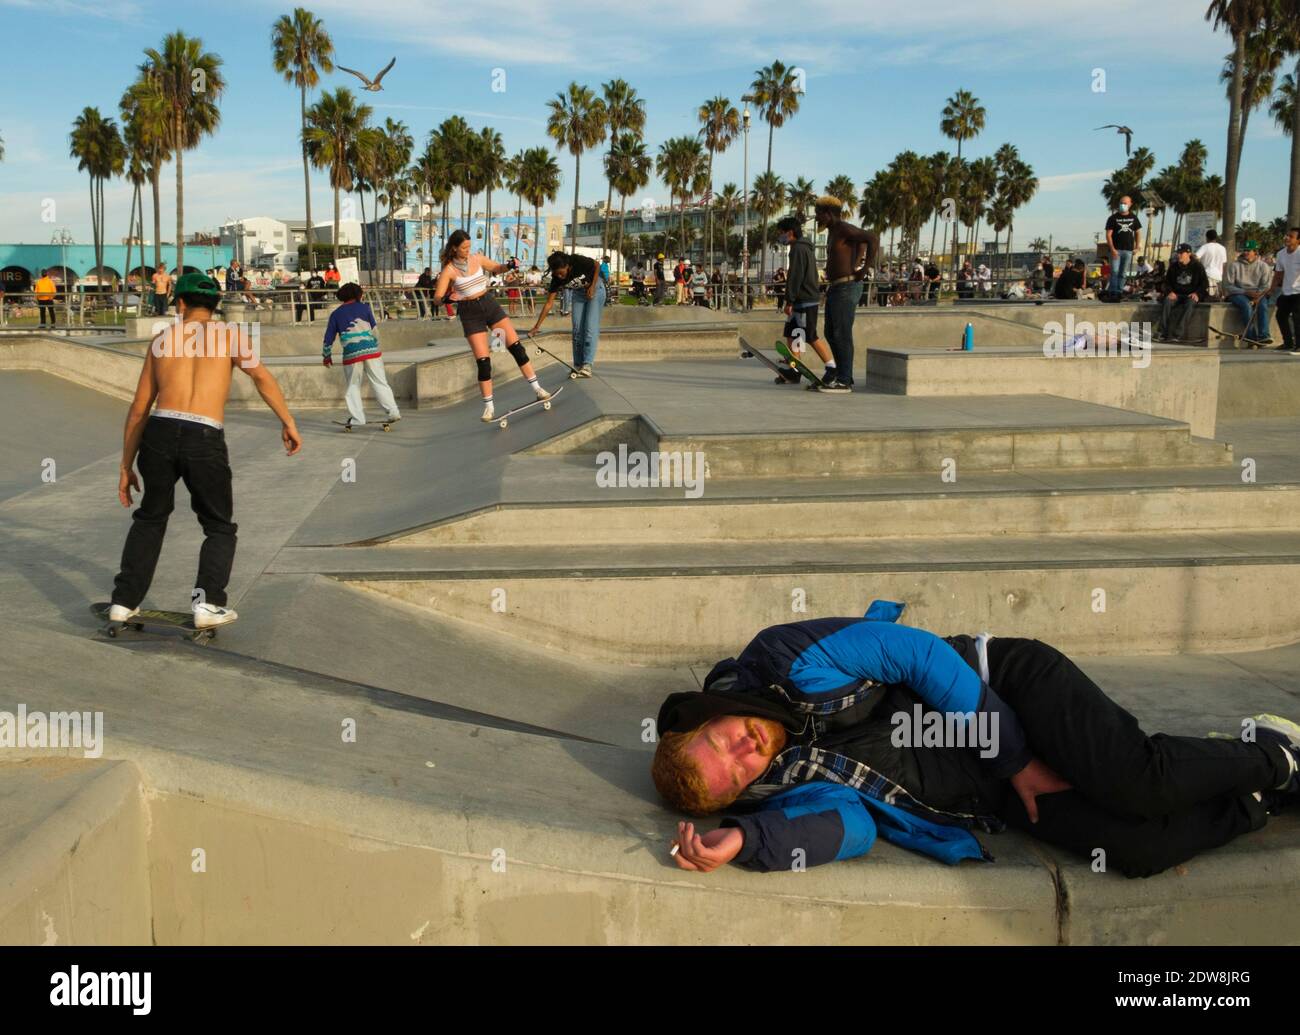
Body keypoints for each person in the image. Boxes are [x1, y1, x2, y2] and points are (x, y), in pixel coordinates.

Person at [652, 608, 1300, 878]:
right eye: (740, 770)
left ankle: (1274, 749)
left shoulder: (783, 660)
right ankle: (1256, 796)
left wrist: (1014, 755)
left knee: (1136, 780)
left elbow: (913, 651)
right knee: (1135, 847)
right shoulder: (785, 780)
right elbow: (850, 827)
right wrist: (747, 840)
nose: (748, 748)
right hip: (989, 787)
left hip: (1006, 689)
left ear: (709, 712)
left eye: (725, 737)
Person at [107, 272, 302, 631]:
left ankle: (123, 602)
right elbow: (261, 377)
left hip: (160, 431)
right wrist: (287, 421)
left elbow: (139, 407)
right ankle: (207, 603)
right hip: (204, 435)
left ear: (180, 303)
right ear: (214, 306)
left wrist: (125, 464)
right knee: (218, 526)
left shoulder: (162, 341)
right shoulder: (230, 336)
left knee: (151, 518)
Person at [433, 230, 551, 423]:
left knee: (516, 348)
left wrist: (510, 265)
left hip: (489, 304)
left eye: (469, 247)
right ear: (454, 248)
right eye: (464, 248)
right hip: (470, 313)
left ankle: (538, 389)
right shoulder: (449, 270)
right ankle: (489, 407)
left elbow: (497, 268)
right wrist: (446, 297)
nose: (467, 251)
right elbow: (437, 299)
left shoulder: (477, 259)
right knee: (483, 362)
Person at [814, 195, 878, 393]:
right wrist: (858, 256)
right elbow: (862, 244)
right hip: (836, 287)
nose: (817, 219)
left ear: (828, 214)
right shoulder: (834, 231)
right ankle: (840, 374)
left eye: (819, 215)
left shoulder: (843, 228)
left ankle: (845, 379)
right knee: (830, 332)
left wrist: (864, 268)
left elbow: (872, 238)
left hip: (847, 286)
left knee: (842, 333)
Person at [322, 282, 402, 428]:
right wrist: (375, 345)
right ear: (357, 295)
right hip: (372, 352)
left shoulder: (336, 314)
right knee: (380, 382)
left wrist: (326, 356)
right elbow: (374, 329)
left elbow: (329, 338)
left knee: (353, 386)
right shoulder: (365, 308)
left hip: (352, 355)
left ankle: (358, 418)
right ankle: (393, 411)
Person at [772, 216, 835, 386]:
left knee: (810, 335)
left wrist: (789, 301)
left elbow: (795, 276)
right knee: (793, 334)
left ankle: (831, 367)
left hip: (805, 300)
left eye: (782, 233)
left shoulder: (798, 249)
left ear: (790, 232)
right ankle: (794, 370)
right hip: (801, 300)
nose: (781, 236)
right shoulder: (801, 247)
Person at [531, 250, 604, 377]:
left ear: (567, 266)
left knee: (589, 328)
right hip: (579, 294)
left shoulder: (576, 260)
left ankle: (587, 365)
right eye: (556, 274)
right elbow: (549, 303)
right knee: (576, 329)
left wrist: (592, 286)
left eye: (561, 273)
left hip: (596, 289)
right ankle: (577, 365)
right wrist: (537, 326)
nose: (560, 276)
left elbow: (597, 265)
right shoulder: (556, 279)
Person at [1222, 240, 1274, 347]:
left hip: (1258, 293)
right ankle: (1251, 337)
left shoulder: (1263, 266)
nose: (1246, 252)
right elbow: (1229, 286)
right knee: (1246, 306)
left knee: (1263, 305)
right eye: (1244, 250)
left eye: (1248, 250)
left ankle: (1263, 336)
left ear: (1255, 252)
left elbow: (1266, 285)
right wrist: (1245, 292)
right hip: (1238, 293)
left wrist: (1258, 296)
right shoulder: (1234, 265)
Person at [1156, 243, 1209, 343]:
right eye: (1178, 253)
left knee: (1190, 304)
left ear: (1188, 254)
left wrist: (1197, 293)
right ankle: (1161, 332)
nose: (1179, 255)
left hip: (1190, 295)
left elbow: (1204, 283)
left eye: (1181, 253)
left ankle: (1177, 335)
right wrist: (1170, 292)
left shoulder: (1197, 266)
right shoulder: (1173, 267)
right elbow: (1166, 283)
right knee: (1167, 301)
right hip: (1176, 294)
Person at [1104, 195, 1141, 296]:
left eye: (1125, 203)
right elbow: (1108, 235)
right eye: (1121, 203)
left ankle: (1120, 291)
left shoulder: (1133, 217)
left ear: (1130, 204)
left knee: (1123, 273)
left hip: (1128, 250)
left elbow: (1138, 232)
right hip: (1116, 250)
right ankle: (1113, 292)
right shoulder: (1113, 218)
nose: (1122, 205)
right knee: (1114, 271)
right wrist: (1112, 249)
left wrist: (1137, 247)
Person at [1272, 226, 1300, 352]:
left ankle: (1299, 346)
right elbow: (1278, 273)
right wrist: (1271, 288)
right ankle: (1288, 343)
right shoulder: (1281, 254)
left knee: (1297, 317)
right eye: (1287, 235)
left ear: (1298, 240)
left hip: (1299, 292)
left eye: (1291, 236)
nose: (1287, 238)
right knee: (1280, 315)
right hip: (1287, 291)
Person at [1196, 229, 1228, 300]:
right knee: (1217, 297)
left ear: (1207, 237)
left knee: (1206, 297)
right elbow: (1224, 264)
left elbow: (1196, 258)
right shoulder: (1222, 248)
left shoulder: (1205, 247)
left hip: (1206, 275)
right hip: (1218, 277)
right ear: (1216, 237)